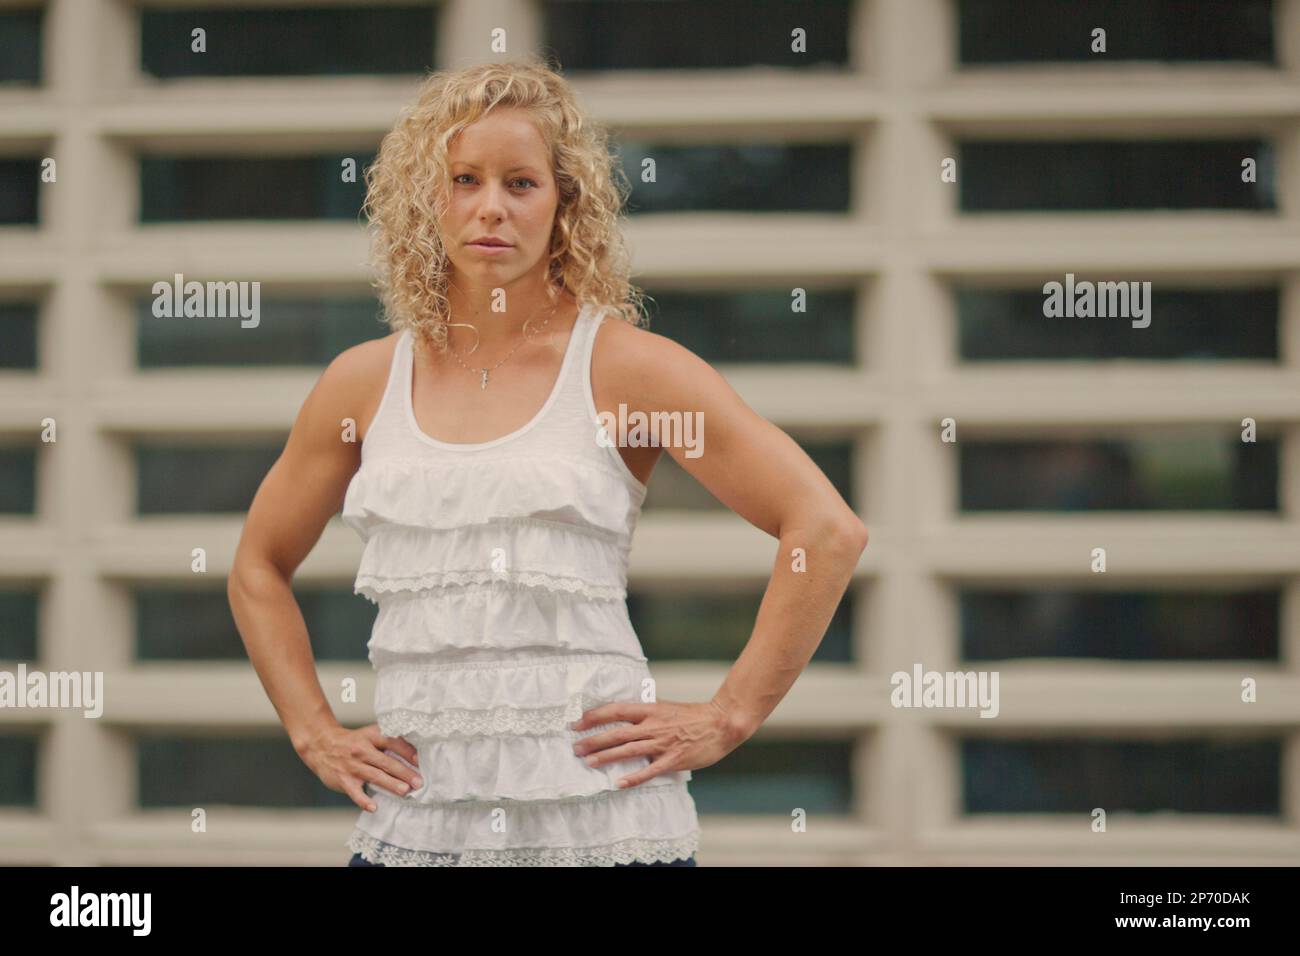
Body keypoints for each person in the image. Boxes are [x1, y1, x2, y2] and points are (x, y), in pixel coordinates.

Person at [227, 57, 868, 866]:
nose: (490, 206)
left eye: (521, 183)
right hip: (415, 833)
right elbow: (258, 564)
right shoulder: (360, 383)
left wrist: (728, 715)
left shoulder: (627, 369)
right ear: (428, 198)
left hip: (603, 830)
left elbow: (826, 528)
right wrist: (314, 733)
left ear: (565, 204)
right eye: (464, 179)